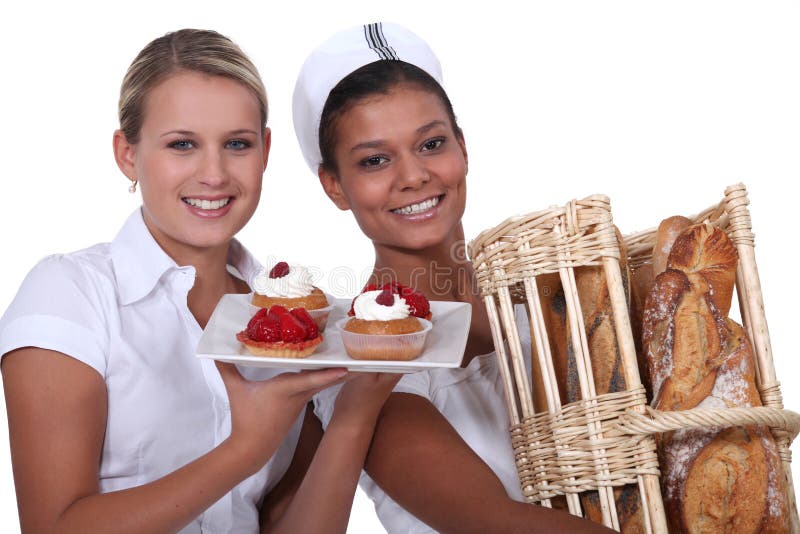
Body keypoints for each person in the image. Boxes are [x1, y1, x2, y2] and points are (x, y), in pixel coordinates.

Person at [0, 28, 399, 533]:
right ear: (127, 153)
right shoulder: (70, 294)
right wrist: (244, 450)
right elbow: (52, 527)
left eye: (237, 144)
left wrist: (354, 412)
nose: (214, 174)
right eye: (182, 144)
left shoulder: (296, 323)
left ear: (265, 150)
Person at [292, 22, 615, 533]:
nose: (413, 176)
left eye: (431, 143)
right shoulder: (359, 373)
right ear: (334, 185)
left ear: (462, 148)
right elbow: (495, 523)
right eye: (375, 160)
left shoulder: (552, 306)